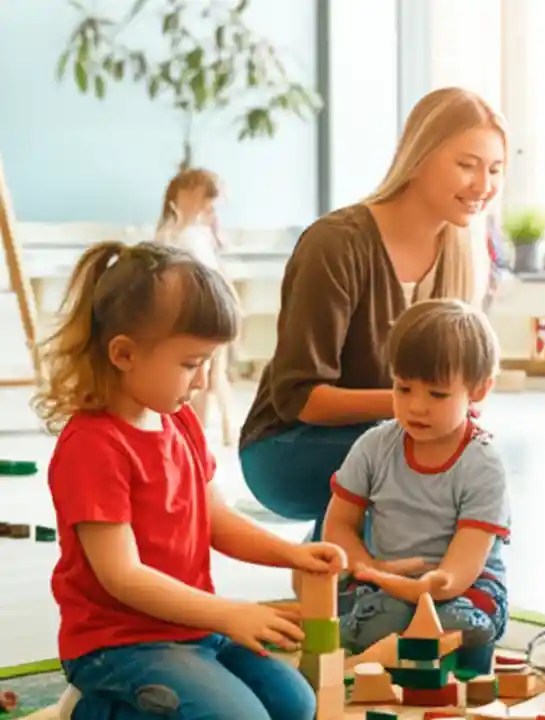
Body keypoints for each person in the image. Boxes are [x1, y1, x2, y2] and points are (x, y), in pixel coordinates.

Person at [34, 241, 345, 719]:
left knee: (294, 704)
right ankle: (93, 709)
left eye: (208, 363)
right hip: (117, 645)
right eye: (190, 364)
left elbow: (215, 518)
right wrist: (229, 612)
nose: (201, 381)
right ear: (124, 354)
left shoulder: (178, 423)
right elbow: (124, 577)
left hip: (191, 629)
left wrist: (290, 553)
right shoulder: (93, 447)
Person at [239, 87, 506, 539]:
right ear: (418, 156)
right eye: (466, 165)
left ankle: (428, 577)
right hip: (285, 446)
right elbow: (299, 397)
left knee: (469, 453)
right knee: (416, 452)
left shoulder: (464, 255)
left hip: (384, 434)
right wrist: (422, 405)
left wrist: (436, 410)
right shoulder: (335, 244)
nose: (483, 185)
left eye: (495, 169)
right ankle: (340, 573)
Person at [319, 299, 510, 675]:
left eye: (437, 394)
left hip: (461, 588)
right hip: (385, 582)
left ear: (479, 390)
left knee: (460, 621)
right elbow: (338, 527)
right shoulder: (374, 446)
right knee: (382, 617)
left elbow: (457, 571)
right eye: (403, 388)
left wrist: (428, 586)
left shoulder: (483, 463)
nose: (416, 407)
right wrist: (371, 569)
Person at [155, 167, 237, 444]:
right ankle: (200, 433)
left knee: (212, 374)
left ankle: (217, 431)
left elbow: (216, 271)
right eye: (206, 200)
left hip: (211, 310)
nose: (209, 208)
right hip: (190, 314)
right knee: (198, 376)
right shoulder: (173, 233)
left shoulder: (200, 234)